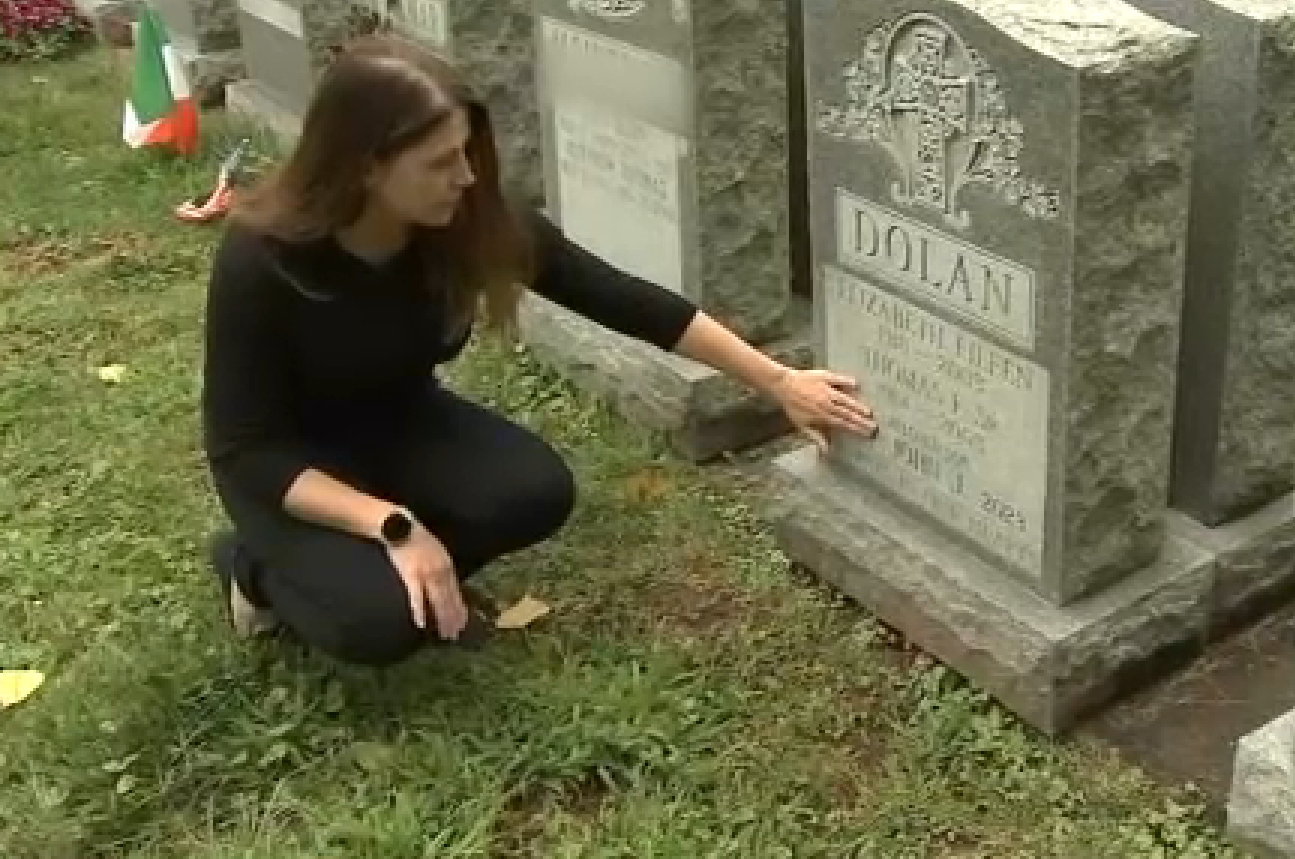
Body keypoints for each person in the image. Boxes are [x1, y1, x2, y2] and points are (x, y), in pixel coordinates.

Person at [201, 35, 877, 667]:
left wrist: (780, 381)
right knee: (375, 626)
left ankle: (400, 572)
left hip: (394, 421)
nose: (465, 178)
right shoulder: (263, 257)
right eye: (440, 163)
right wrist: (394, 524)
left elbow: (617, 296)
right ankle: (252, 568)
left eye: (465, 153)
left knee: (533, 493)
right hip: (289, 467)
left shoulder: (460, 221)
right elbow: (244, 447)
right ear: (365, 167)